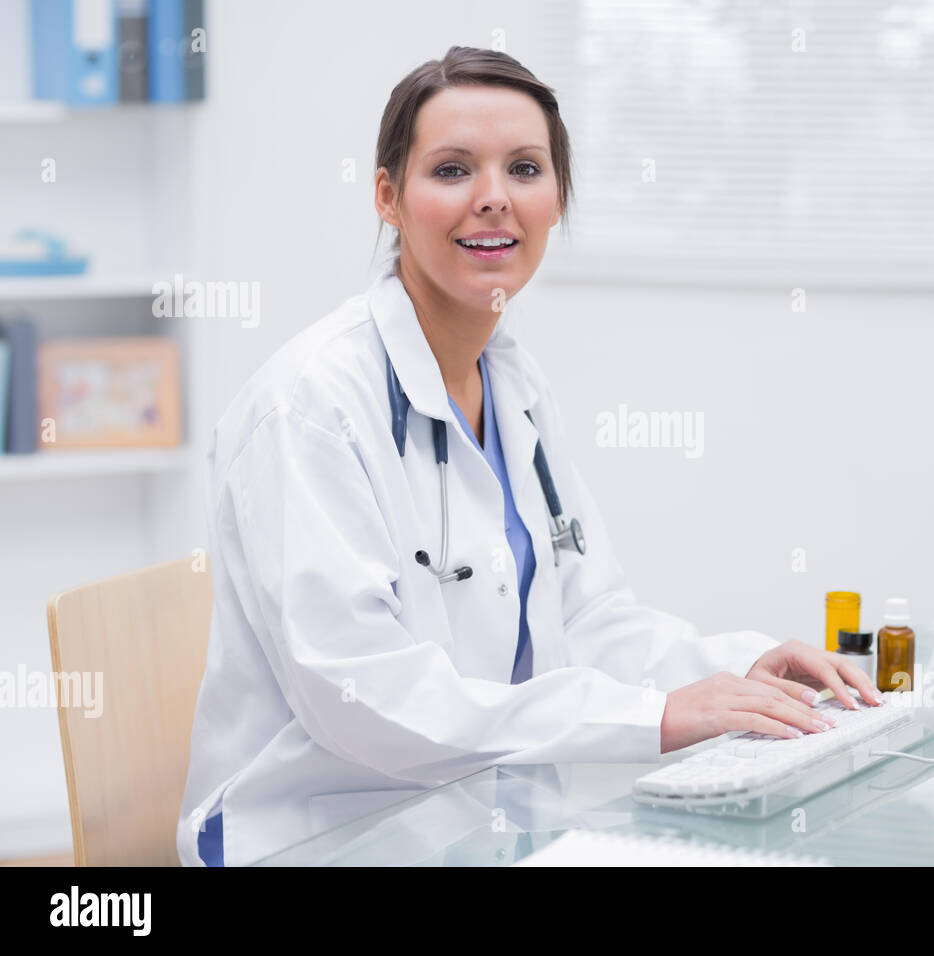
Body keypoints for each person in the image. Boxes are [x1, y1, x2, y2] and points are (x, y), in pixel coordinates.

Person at [177, 45, 883, 868]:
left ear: (556, 201)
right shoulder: (309, 406)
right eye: (450, 170)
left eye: (524, 168)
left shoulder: (510, 382)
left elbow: (585, 617)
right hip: (323, 836)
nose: (493, 200)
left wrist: (734, 669)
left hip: (483, 826)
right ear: (388, 198)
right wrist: (654, 718)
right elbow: (360, 698)